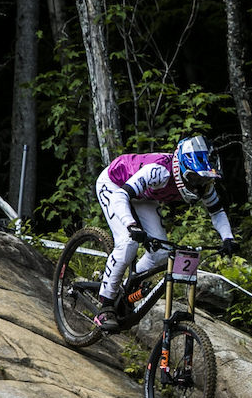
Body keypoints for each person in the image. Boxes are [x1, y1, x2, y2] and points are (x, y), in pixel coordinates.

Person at [93, 135, 238, 328]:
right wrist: (131, 225)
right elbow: (121, 196)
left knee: (161, 253)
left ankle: (127, 285)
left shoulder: (205, 186)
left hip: (145, 195)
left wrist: (227, 238)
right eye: (195, 177)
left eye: (203, 179)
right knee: (128, 242)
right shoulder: (159, 171)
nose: (198, 184)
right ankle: (106, 305)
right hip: (115, 185)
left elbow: (217, 211)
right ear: (184, 170)